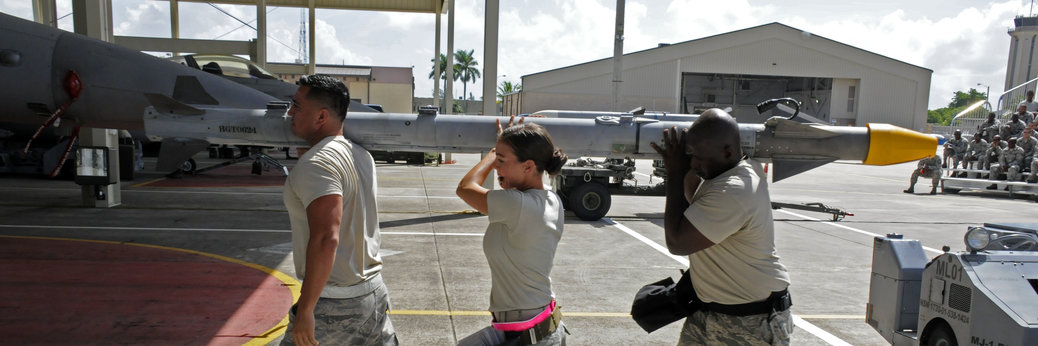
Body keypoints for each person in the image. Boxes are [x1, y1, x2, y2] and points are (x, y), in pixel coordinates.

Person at [650, 109, 793, 345]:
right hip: (708, 310)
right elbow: (694, 201)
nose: (692, 163)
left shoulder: (734, 189)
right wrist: (687, 165)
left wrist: (674, 172)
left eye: (697, 157)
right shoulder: (728, 170)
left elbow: (677, 242)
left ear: (727, 151)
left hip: (750, 320)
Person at [280, 74, 396, 346]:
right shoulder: (360, 154)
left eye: (296, 106)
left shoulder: (317, 164)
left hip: (334, 305)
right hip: (373, 294)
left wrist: (307, 309)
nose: (289, 113)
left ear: (321, 117)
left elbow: (326, 238)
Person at [456, 117, 569, 346]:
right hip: (532, 327)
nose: (496, 166)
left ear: (528, 166)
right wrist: (505, 150)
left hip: (530, 336)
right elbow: (512, 186)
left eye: (500, 160)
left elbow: (465, 188)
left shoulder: (518, 205)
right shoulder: (549, 198)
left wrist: (492, 152)